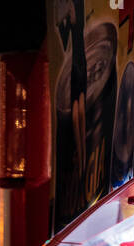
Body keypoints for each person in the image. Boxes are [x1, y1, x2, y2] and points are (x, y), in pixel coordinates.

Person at [57, 0, 87, 188]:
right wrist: (66, 19)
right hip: (75, 68)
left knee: (78, 110)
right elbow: (64, 38)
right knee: (77, 111)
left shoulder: (78, 15)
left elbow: (75, 29)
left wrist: (70, 17)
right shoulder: (69, 21)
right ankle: (82, 162)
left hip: (80, 64)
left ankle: (82, 161)